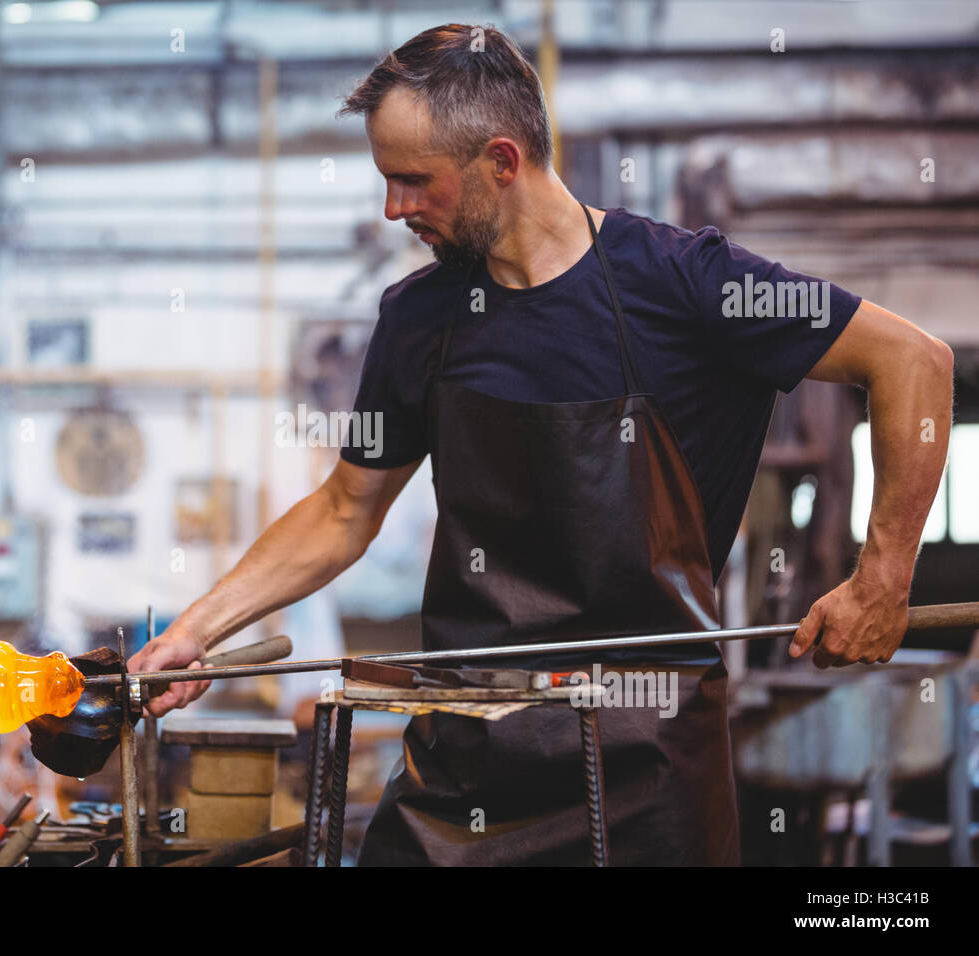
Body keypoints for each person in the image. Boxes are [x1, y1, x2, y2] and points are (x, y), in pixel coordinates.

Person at [128, 24, 954, 865]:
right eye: (385, 180)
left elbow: (913, 363)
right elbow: (345, 510)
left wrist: (882, 577)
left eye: (413, 181)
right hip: (470, 763)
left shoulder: (685, 285)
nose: (392, 208)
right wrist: (202, 627)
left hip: (649, 765)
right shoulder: (418, 320)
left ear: (501, 161)